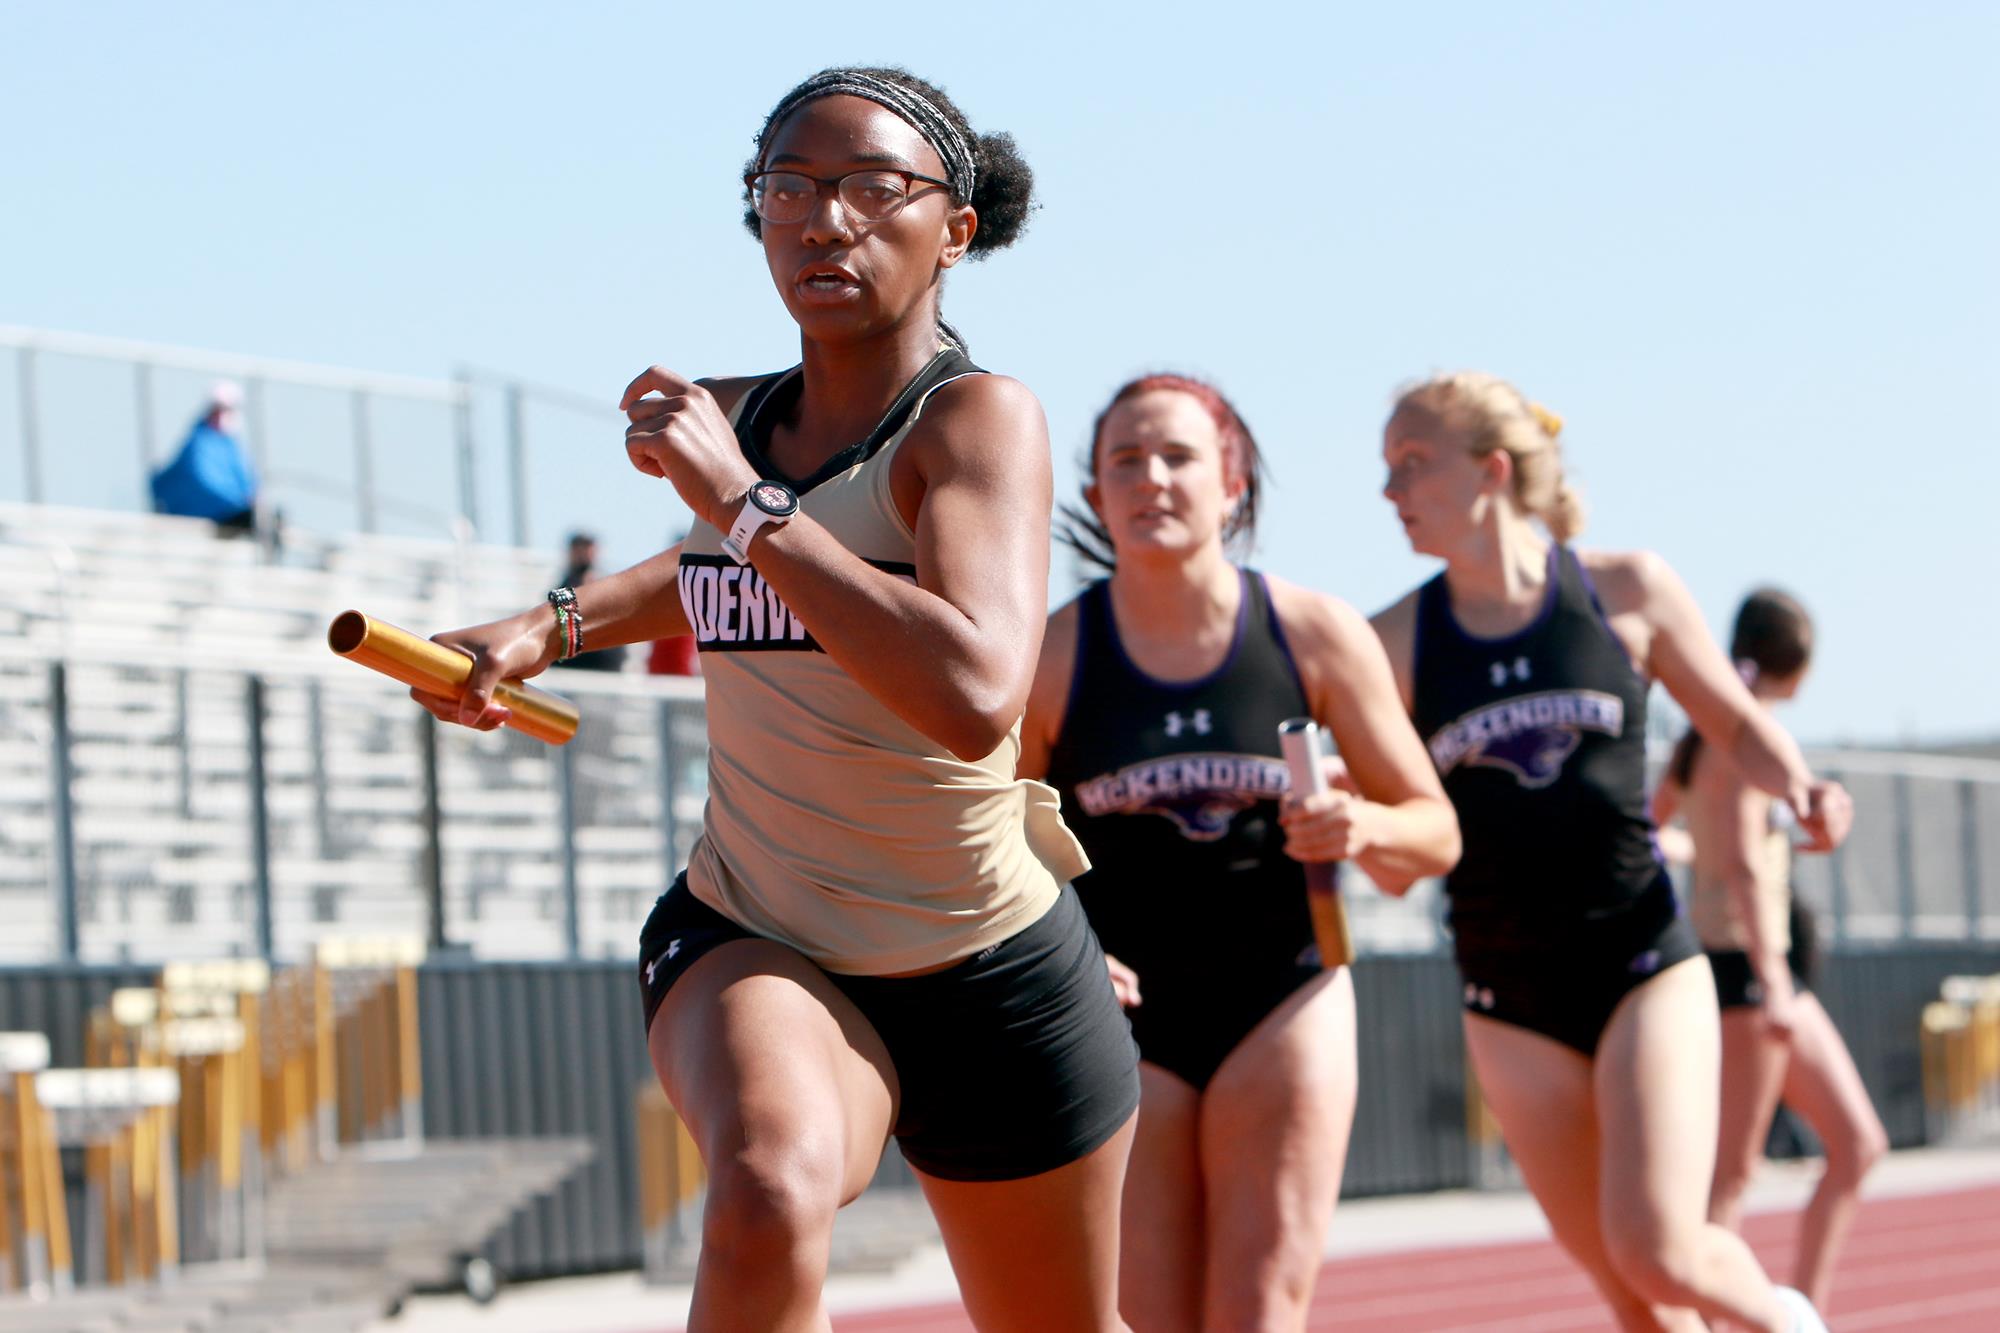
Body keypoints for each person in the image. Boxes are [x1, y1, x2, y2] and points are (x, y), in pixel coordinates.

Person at [410, 67, 1138, 1332]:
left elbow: (973, 692)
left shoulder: (972, 425)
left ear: (954, 229)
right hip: (761, 926)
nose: (823, 221)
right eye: (788, 189)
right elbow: (695, 576)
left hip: (985, 961)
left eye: (870, 187)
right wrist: (549, 624)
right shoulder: (742, 418)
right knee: (765, 1188)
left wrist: (746, 506)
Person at [1368, 372, 1853, 1333]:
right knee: (1637, 1302)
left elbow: (1737, 721)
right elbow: (1393, 833)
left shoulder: (1625, 589)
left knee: (1660, 1247)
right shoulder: (1393, 640)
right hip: (1507, 996)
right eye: (1385, 471)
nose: (1391, 493)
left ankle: (1790, 1320)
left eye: (1413, 464)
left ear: (1492, 471)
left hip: (1638, 960)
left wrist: (1799, 785)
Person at [1020, 373, 1459, 1331]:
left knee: (1259, 1313)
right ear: (1095, 497)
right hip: (1125, 1023)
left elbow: (1436, 827)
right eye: (1124, 462)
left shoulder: (1314, 633)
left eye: (1178, 455)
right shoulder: (1053, 658)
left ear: (1232, 483)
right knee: (1150, 1317)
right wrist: (1063, 941)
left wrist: (1365, 825)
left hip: (1284, 998)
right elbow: (988, 837)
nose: (1152, 479)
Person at [1651, 588, 1887, 1312]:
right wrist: (1774, 979)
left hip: (1750, 968)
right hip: (1748, 974)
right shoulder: (1743, 741)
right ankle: (1713, 1322)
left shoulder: (1700, 740)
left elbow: (1655, 829)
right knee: (1729, 1178)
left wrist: (1705, 857)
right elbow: (1749, 868)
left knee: (1856, 1143)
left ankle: (1798, 1315)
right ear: (1797, 664)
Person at [150, 381, 258, 534]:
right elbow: (199, 480)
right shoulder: (200, 442)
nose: (222, 415)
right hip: (207, 516)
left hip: (228, 514)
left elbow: (247, 482)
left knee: (263, 519)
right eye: (218, 409)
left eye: (227, 409)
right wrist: (236, 502)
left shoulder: (230, 444)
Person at [552, 532, 627, 671]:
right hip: (572, 670)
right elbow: (565, 635)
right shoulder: (562, 592)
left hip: (606, 670)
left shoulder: (607, 589)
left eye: (588, 549)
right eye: (580, 550)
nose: (585, 556)